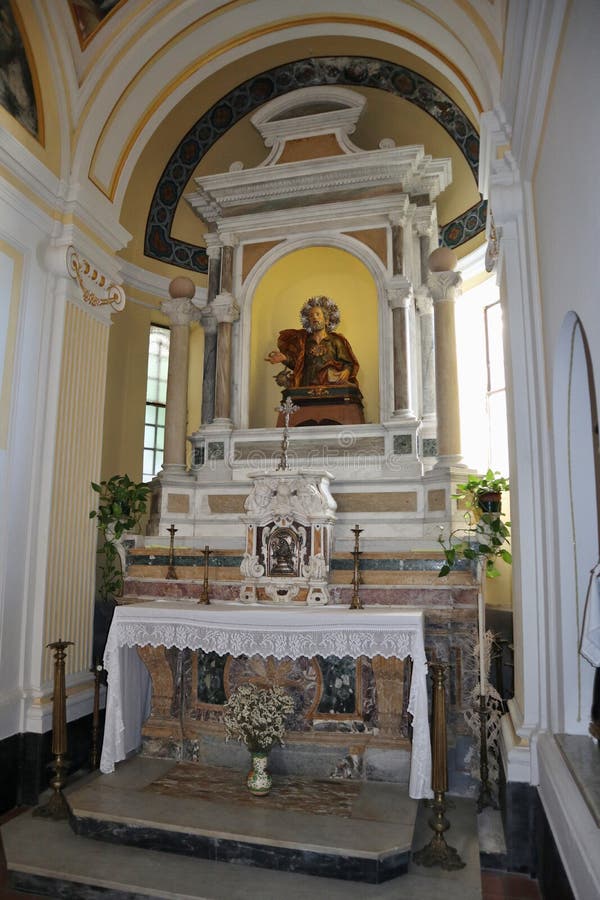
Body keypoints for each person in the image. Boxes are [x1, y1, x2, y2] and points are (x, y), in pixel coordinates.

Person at [265, 295, 360, 389]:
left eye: (318, 314)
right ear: (309, 321)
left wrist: (347, 371)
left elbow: (348, 363)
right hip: (307, 387)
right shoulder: (304, 342)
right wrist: (285, 358)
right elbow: (299, 365)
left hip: (331, 389)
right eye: (311, 315)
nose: (314, 317)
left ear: (326, 320)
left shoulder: (336, 341)